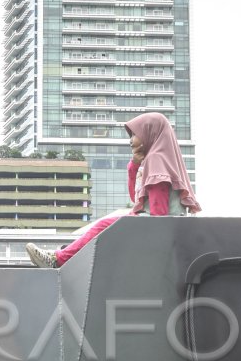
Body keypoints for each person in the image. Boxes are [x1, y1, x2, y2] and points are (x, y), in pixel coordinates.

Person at [26, 111, 200, 268]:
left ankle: (58, 259)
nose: (131, 140)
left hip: (157, 227)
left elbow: (158, 213)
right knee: (105, 227)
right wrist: (134, 166)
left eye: (135, 134)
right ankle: (66, 255)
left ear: (150, 133)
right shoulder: (154, 160)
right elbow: (137, 200)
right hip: (158, 225)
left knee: (102, 225)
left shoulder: (156, 160)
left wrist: (131, 222)